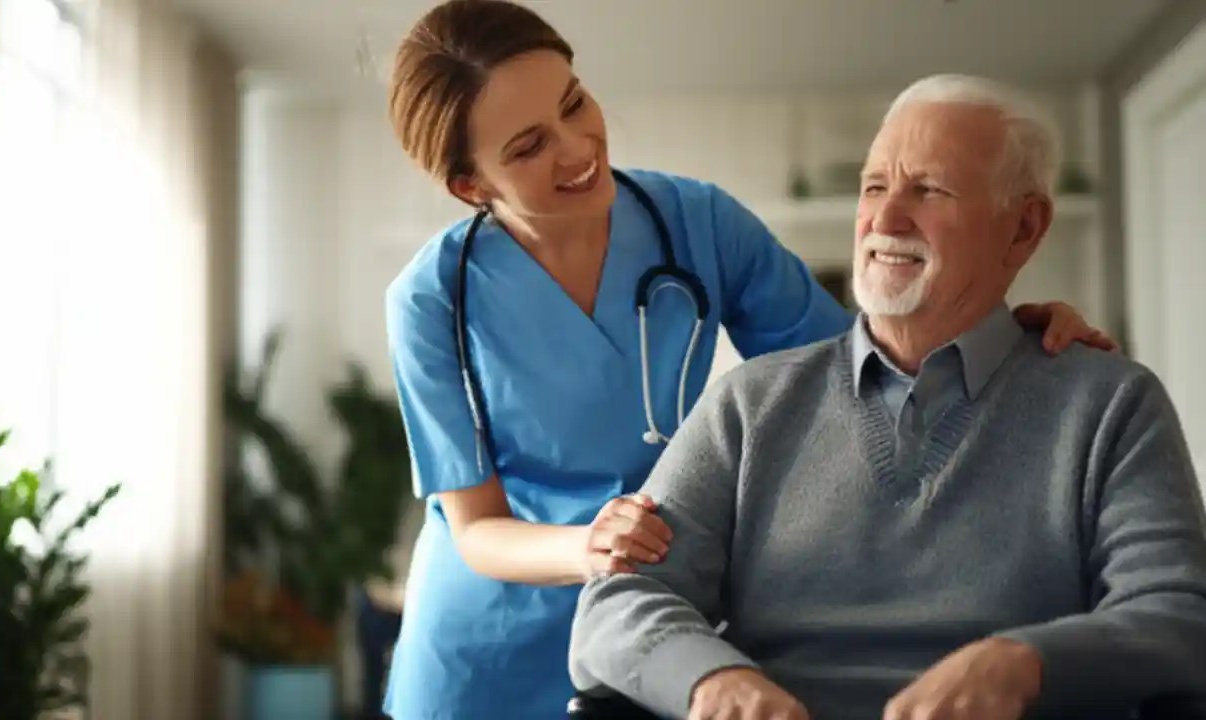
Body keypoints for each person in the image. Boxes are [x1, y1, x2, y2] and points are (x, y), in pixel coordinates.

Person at [382, 2, 1112, 717]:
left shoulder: (695, 221)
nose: (576, 147)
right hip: (488, 653)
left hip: (653, 627)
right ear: (471, 186)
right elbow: (475, 528)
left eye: (575, 104)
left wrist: (1001, 323)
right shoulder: (430, 300)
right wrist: (593, 544)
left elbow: (858, 363)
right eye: (528, 146)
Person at [568, 73, 1206, 720]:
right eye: (874, 186)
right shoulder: (749, 405)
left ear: (1023, 229)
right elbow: (616, 605)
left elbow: (1178, 615)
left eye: (929, 189)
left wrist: (1025, 663)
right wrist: (712, 681)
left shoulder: (1110, 405)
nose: (886, 218)